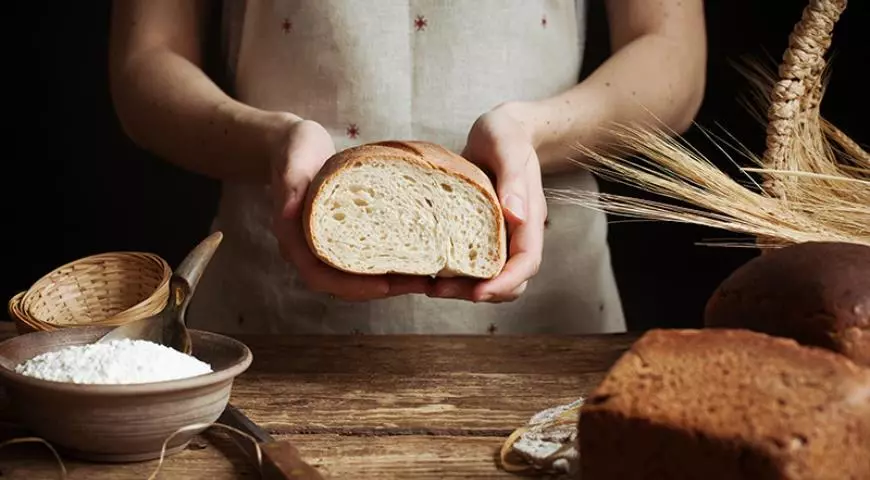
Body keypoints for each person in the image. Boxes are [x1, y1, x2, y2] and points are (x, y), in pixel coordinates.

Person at [108, 1, 706, 335]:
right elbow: (147, 61)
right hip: (268, 327)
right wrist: (274, 144)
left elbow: (672, 54)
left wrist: (531, 132)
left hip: (551, 323)